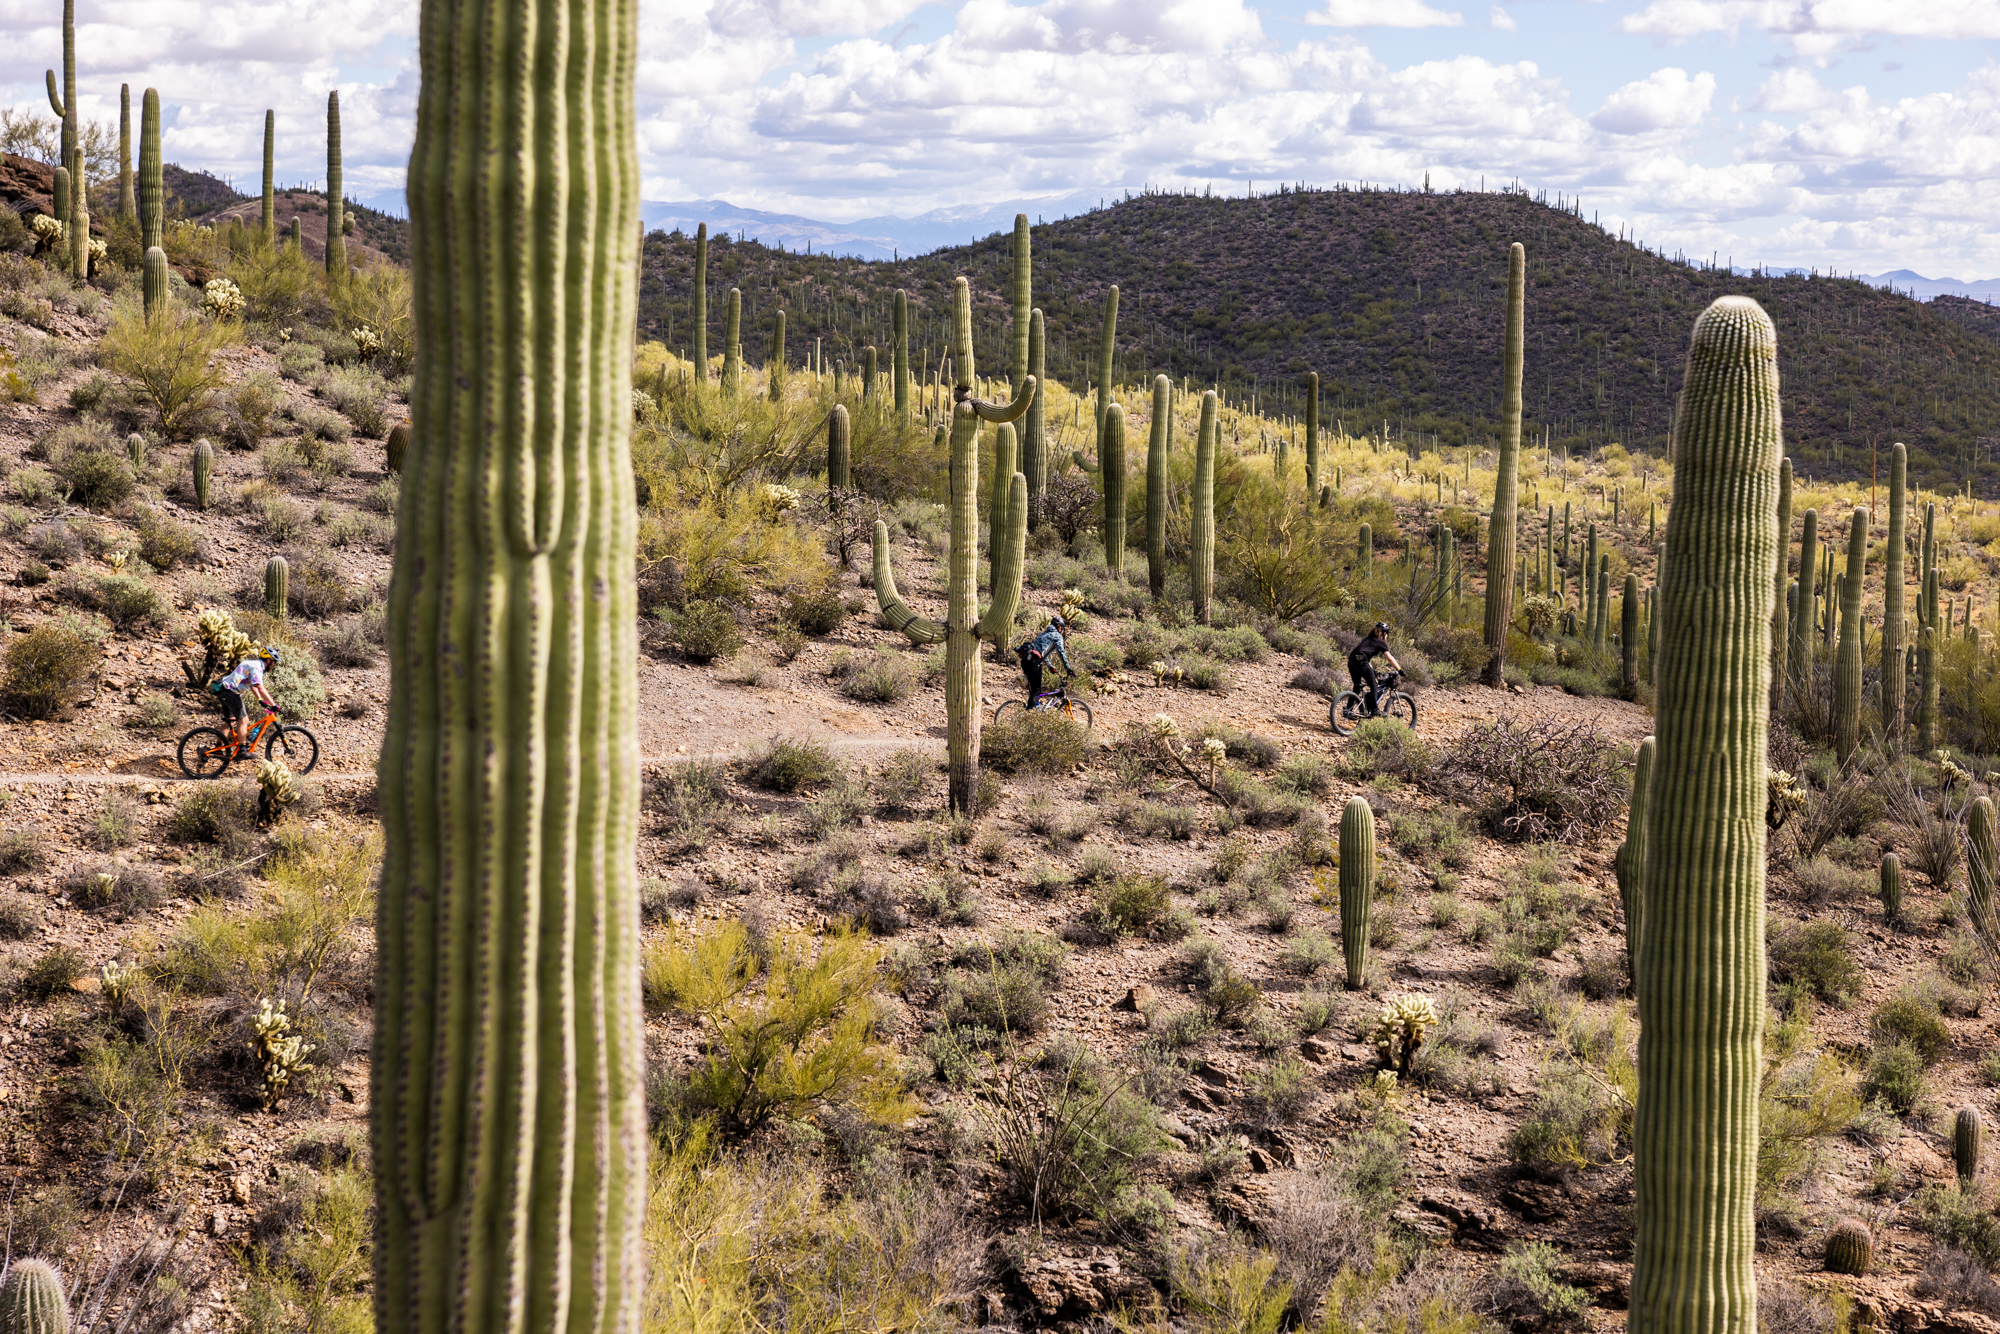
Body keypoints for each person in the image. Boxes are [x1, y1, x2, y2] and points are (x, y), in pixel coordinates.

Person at [214, 646, 282, 751]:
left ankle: (217, 748)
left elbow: (252, 685)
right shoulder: (258, 667)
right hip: (231, 693)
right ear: (268, 660)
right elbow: (260, 687)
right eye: (274, 662)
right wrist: (273, 705)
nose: (274, 665)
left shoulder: (252, 664)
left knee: (230, 722)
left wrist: (260, 700)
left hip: (223, 691)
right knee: (244, 720)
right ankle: (242, 750)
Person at [1014, 615, 1075, 708]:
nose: (1063, 631)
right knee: (1037, 691)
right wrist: (1068, 669)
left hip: (1026, 662)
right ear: (1059, 627)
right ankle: (1029, 714)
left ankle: (1033, 706)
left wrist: (1050, 666)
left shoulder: (1044, 633)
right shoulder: (1057, 636)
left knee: (1034, 687)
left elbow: (1040, 653)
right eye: (1063, 629)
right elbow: (1061, 653)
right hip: (1034, 664)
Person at [1347, 622, 1402, 716]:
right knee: (1374, 686)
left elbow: (1364, 656)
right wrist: (1400, 669)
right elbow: (1390, 658)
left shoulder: (1367, 639)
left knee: (1357, 686)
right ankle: (1374, 710)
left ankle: (1348, 710)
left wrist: (1372, 671)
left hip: (1352, 661)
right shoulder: (1381, 642)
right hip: (1362, 662)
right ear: (1385, 633)